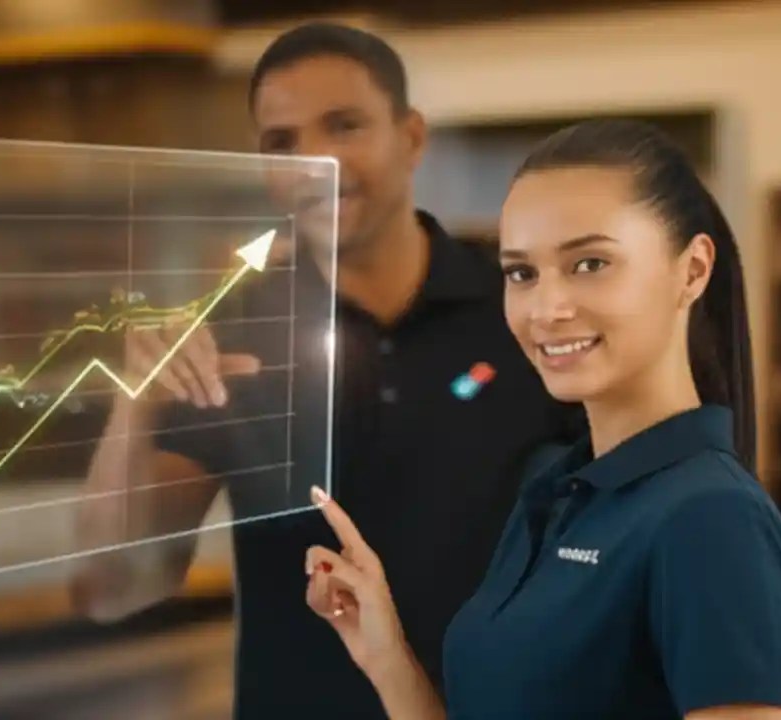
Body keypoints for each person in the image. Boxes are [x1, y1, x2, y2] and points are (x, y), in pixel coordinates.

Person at [70, 22, 582, 718]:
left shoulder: (522, 312)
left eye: (344, 126)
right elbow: (115, 589)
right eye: (283, 143)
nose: (316, 162)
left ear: (411, 138)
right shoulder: (232, 338)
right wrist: (135, 404)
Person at [306, 118, 781, 719]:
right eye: (521, 273)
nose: (547, 309)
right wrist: (385, 652)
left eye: (589, 264)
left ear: (691, 270)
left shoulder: (710, 517)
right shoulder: (556, 492)